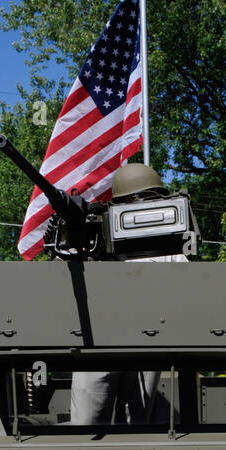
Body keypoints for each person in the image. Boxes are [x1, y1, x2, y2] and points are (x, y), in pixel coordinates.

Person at [69, 163, 189, 425]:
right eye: (140, 199)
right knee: (86, 423)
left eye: (152, 199)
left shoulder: (171, 246)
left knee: (137, 425)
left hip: (148, 342)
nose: (146, 206)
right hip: (99, 342)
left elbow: (184, 291)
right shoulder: (98, 239)